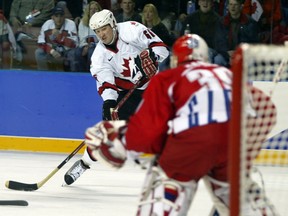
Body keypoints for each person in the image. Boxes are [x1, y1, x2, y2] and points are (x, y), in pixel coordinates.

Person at [83, 34, 279, 216]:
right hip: (229, 146)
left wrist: (121, 142)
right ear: (206, 58)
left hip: (188, 147)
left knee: (169, 185)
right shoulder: (228, 76)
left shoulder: (168, 78)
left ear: (176, 60)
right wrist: (242, 146)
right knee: (236, 192)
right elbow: (267, 110)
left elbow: (148, 131)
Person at [63, 9, 169, 185]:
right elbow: (106, 82)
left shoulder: (132, 30)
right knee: (107, 134)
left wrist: (152, 56)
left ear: (112, 24)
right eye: (97, 31)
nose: (101, 34)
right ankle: (84, 163)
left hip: (154, 87)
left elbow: (162, 49)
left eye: (104, 29)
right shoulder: (99, 56)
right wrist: (109, 103)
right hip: (128, 92)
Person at [214, 0, 260, 67]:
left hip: (243, 54)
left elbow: (253, 42)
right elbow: (218, 41)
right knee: (218, 59)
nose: (233, 7)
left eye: (235, 5)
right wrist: (227, 53)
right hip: (226, 54)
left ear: (241, 7)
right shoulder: (222, 21)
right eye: (231, 4)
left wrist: (238, 53)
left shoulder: (249, 22)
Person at [35, 6, 78, 71]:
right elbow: (41, 43)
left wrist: (59, 36)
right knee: (39, 52)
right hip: (52, 50)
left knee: (73, 53)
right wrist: (52, 51)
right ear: (52, 17)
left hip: (67, 51)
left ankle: (72, 77)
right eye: (56, 16)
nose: (59, 18)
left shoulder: (70, 24)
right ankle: (43, 75)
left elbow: (73, 44)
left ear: (64, 17)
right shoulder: (47, 24)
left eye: (61, 16)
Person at [181, 0, 224, 65]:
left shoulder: (218, 20)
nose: (205, 3)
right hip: (193, 47)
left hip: (210, 48)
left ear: (212, 3)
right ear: (199, 3)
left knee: (206, 53)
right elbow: (183, 36)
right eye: (203, 0)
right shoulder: (190, 18)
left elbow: (218, 41)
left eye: (208, 1)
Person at [141, 3, 176, 71]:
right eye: (145, 12)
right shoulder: (141, 27)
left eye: (150, 12)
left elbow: (168, 40)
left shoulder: (160, 27)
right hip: (144, 53)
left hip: (159, 53)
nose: (147, 14)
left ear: (154, 14)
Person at [74, 1, 102, 72]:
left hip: (98, 46)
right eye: (91, 9)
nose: (93, 10)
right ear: (88, 11)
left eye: (95, 9)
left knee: (91, 51)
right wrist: (86, 45)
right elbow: (81, 38)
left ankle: (90, 73)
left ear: (99, 11)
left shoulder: (103, 22)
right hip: (85, 45)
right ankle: (81, 73)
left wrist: (91, 45)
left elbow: (102, 39)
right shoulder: (82, 22)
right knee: (77, 52)